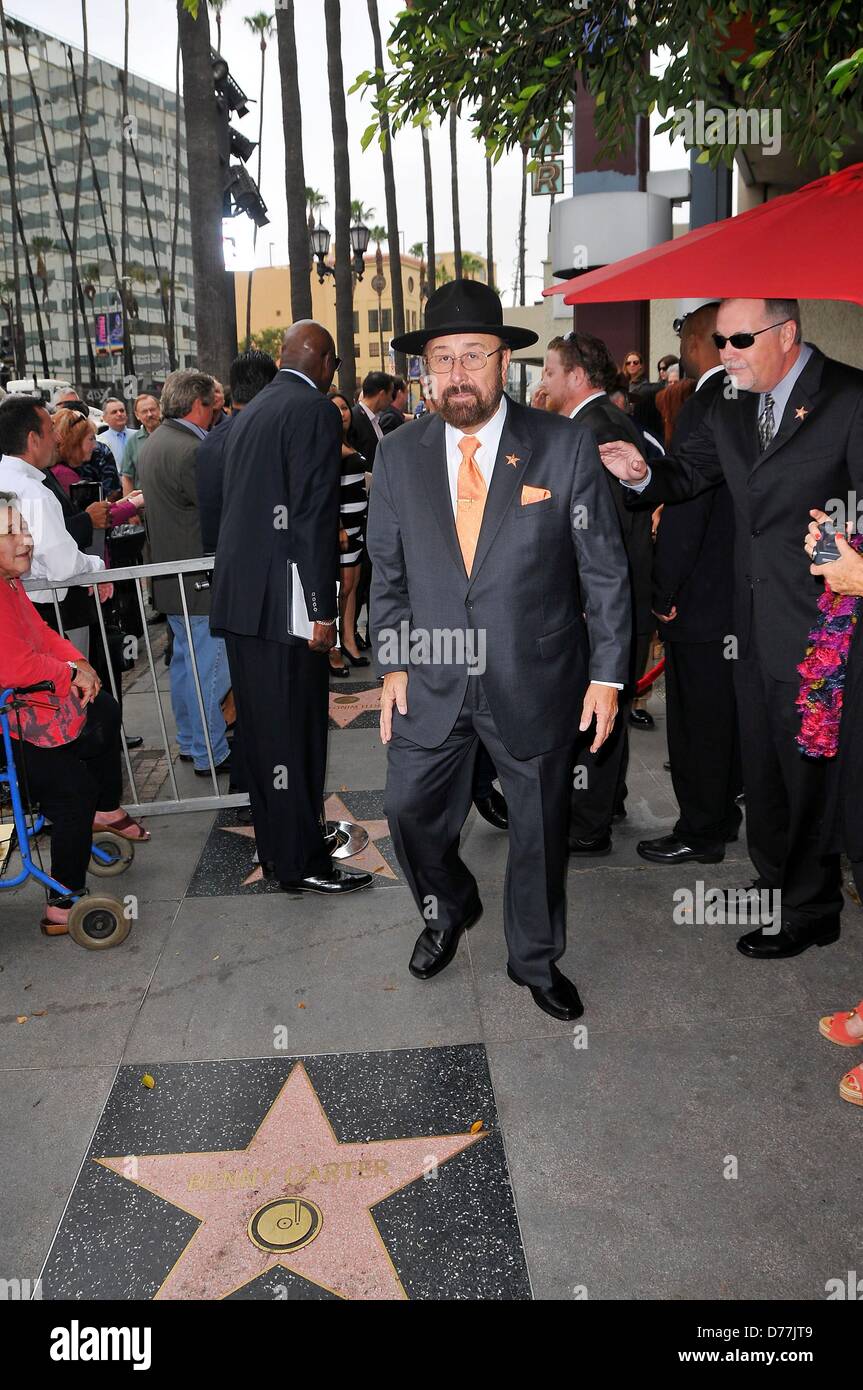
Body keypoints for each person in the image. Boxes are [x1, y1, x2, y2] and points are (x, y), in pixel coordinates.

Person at [369, 279, 631, 1021]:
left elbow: (603, 569)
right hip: (431, 670)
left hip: (534, 673)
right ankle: (447, 908)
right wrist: (390, 661)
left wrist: (607, 676)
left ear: (502, 362)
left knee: (539, 829)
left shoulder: (562, 444)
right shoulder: (397, 455)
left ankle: (536, 959)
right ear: (425, 371)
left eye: (472, 356)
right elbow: (386, 572)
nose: (457, 373)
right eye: (442, 359)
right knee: (406, 811)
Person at [600, 297, 863, 960]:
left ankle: (810, 908)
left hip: (826, 630)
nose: (725, 354)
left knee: (811, 773)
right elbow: (690, 473)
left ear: (787, 333)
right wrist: (641, 475)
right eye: (718, 340)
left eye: (739, 339)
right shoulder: (728, 399)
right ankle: (779, 885)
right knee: (766, 767)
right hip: (746, 623)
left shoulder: (848, 398)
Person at [209, 321, 373, 897]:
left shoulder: (250, 410)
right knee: (296, 737)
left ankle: (281, 849)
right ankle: (301, 861)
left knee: (265, 737)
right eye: (336, 361)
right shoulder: (314, 409)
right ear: (324, 359)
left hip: (246, 603)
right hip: (285, 607)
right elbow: (311, 516)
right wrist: (322, 609)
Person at [0, 495, 149, 937]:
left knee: (101, 711)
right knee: (72, 792)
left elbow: (41, 635)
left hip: (21, 712)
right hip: (10, 723)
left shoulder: (9, 584)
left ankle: (99, 812)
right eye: (12, 532)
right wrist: (69, 670)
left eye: (24, 528)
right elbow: (13, 666)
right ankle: (63, 903)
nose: (26, 539)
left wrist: (78, 666)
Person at [541, 330, 654, 855]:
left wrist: (586, 605)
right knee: (605, 703)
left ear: (576, 376)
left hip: (599, 604)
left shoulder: (592, 430)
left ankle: (588, 822)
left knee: (593, 705)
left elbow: (597, 532)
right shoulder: (600, 421)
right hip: (610, 599)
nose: (542, 383)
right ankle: (605, 800)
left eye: (549, 371)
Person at [638, 303, 741, 867]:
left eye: (684, 333)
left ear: (700, 340)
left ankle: (700, 830)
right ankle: (721, 813)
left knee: (697, 720)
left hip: (699, 595)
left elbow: (686, 507)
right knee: (722, 715)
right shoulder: (748, 395)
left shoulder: (707, 402)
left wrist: (663, 592)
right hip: (736, 589)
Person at [137, 371, 231, 777]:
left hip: (174, 577)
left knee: (185, 665)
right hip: (197, 578)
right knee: (208, 668)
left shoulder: (158, 441)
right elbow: (218, 510)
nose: (216, 413)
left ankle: (193, 743)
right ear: (197, 404)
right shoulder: (191, 448)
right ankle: (211, 750)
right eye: (212, 405)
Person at [196, 350, 278, 814]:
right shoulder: (256, 439)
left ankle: (249, 787)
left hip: (230, 587)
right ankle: (263, 792)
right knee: (265, 701)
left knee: (247, 696)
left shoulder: (212, 441)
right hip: (263, 592)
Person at [0, 397, 105, 614]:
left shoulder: (13, 480)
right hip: (44, 609)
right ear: (33, 439)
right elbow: (63, 563)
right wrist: (98, 567)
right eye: (50, 430)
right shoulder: (32, 491)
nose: (57, 438)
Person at [326, 391, 370, 678]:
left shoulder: (349, 442)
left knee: (352, 587)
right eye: (336, 408)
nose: (343, 412)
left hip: (359, 525)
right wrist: (339, 525)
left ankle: (350, 640)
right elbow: (328, 490)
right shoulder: (324, 447)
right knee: (337, 589)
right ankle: (333, 649)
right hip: (340, 529)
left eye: (345, 407)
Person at [351, 370, 393, 470]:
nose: (391, 399)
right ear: (382, 394)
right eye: (390, 394)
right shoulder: (354, 419)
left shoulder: (374, 419)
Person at [121, 394, 161, 495]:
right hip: (143, 504)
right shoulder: (132, 442)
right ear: (137, 415)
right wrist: (129, 506)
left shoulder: (172, 435)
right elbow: (127, 477)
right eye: (144, 411)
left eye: (152, 409)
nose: (149, 414)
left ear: (160, 409)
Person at [98, 398, 134, 470]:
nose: (119, 414)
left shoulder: (137, 435)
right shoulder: (100, 441)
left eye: (122, 410)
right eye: (114, 412)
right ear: (105, 418)